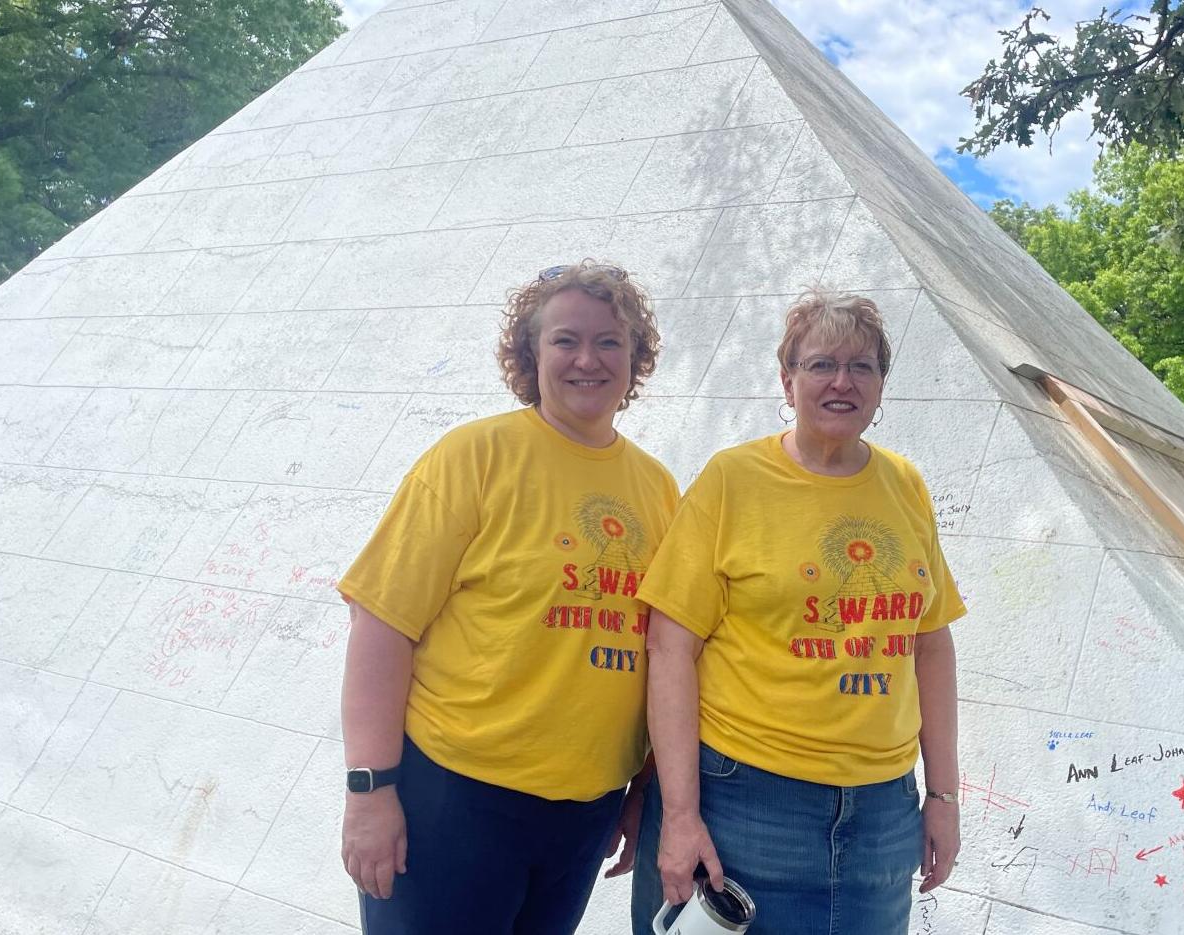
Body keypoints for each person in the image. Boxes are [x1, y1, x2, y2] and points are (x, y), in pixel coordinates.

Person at [337, 261, 679, 934]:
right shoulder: (473, 457)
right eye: (565, 340)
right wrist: (369, 793)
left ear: (635, 358)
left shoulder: (659, 490)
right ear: (531, 353)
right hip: (456, 799)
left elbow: (663, 651)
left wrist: (645, 786)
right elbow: (381, 624)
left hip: (584, 815)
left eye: (610, 341)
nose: (588, 358)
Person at [631, 289, 967, 934]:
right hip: (743, 802)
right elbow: (670, 648)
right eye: (821, 364)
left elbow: (930, 643)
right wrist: (679, 813)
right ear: (787, 381)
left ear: (880, 386)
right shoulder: (732, 481)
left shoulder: (905, 484)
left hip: (882, 814)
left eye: (862, 366)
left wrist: (943, 796)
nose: (842, 381)